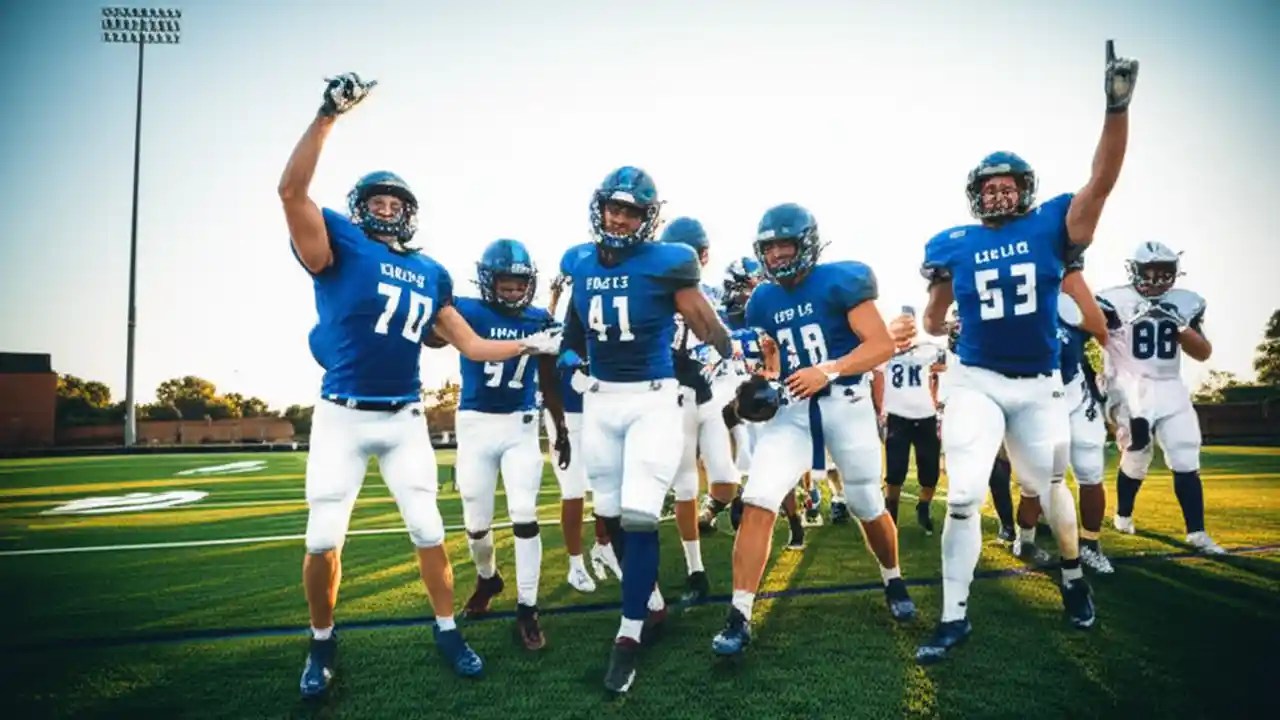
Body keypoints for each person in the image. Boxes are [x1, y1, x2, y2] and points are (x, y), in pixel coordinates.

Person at [279, 73, 561, 695]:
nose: (386, 210)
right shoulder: (339, 243)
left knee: (429, 530)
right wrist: (327, 116)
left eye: (395, 203)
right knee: (324, 533)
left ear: (409, 213)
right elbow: (291, 190)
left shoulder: (431, 272)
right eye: (376, 201)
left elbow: (472, 344)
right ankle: (321, 644)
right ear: (360, 209)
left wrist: (531, 343)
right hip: (341, 416)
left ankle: (446, 628)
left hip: (404, 417)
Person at [914, 40, 1139, 664]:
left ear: (1026, 191)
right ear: (974, 194)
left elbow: (1102, 182)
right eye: (988, 187)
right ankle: (953, 616)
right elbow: (934, 313)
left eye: (1008, 186)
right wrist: (937, 323)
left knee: (1050, 485)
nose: (998, 194)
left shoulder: (1051, 225)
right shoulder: (951, 242)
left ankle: (1071, 573)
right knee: (963, 495)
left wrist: (1115, 109)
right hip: (976, 379)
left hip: (1041, 383)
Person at [711, 203, 914, 659]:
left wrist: (830, 368)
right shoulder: (762, 299)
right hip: (794, 411)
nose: (779, 255)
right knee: (759, 497)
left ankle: (893, 577)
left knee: (866, 503)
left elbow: (880, 346)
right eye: (770, 247)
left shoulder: (843, 279)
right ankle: (739, 613)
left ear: (806, 243)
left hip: (847, 404)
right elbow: (773, 359)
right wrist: (763, 382)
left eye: (786, 245)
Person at [560, 166, 733, 695]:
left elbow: (708, 328)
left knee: (638, 515)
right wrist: (571, 360)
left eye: (631, 210)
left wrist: (736, 358)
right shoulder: (580, 262)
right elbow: (572, 331)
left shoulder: (668, 263)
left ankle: (628, 634)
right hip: (602, 404)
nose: (619, 217)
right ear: (600, 207)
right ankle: (652, 605)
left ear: (647, 218)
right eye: (614, 207)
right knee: (608, 521)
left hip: (653, 402)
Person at [450, 238, 571, 651]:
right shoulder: (468, 310)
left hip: (520, 427)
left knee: (524, 512)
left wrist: (562, 427)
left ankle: (528, 607)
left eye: (521, 285)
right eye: (507, 284)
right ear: (488, 281)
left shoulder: (540, 318)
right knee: (476, 523)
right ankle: (488, 577)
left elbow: (550, 379)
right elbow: (434, 334)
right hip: (475, 425)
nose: (515, 292)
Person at [1097, 242, 1225, 554]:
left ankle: (1197, 533)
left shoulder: (1185, 302)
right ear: (1135, 270)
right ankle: (1124, 514)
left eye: (1165, 273)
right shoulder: (1113, 299)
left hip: (1170, 385)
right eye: (1150, 272)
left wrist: (1178, 325)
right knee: (1138, 452)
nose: (1157, 280)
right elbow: (1088, 331)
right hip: (1126, 382)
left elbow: (1203, 353)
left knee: (1185, 455)